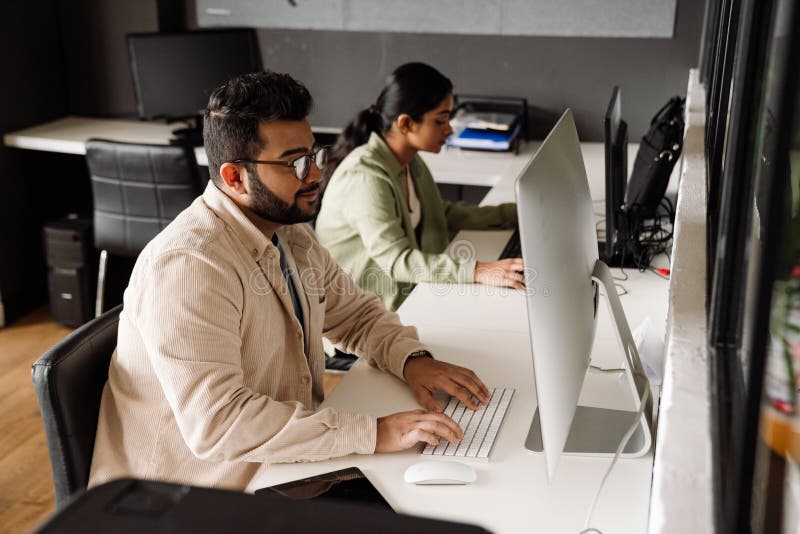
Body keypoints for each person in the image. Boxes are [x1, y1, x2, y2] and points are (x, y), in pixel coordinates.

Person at [88, 71, 491, 493]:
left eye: (315, 156)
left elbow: (355, 316)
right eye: (295, 163)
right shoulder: (189, 267)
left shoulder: (286, 229)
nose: (315, 175)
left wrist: (413, 360)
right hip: (201, 499)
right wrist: (373, 433)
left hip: (284, 471)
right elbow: (219, 425)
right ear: (234, 178)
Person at [315, 62, 524, 315]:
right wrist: (479, 270)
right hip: (362, 324)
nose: (449, 129)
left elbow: (438, 213)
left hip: (407, 297)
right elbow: (397, 261)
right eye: (440, 121)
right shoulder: (365, 177)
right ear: (406, 124)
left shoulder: (408, 159)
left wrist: (516, 214)